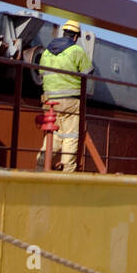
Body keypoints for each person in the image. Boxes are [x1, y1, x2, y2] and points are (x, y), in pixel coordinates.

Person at [36, 19, 93, 172]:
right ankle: (67, 171)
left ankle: (41, 164)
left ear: (64, 33)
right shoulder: (77, 51)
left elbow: (41, 73)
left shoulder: (47, 52)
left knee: (53, 135)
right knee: (70, 136)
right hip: (70, 101)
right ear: (76, 37)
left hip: (49, 101)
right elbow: (88, 71)